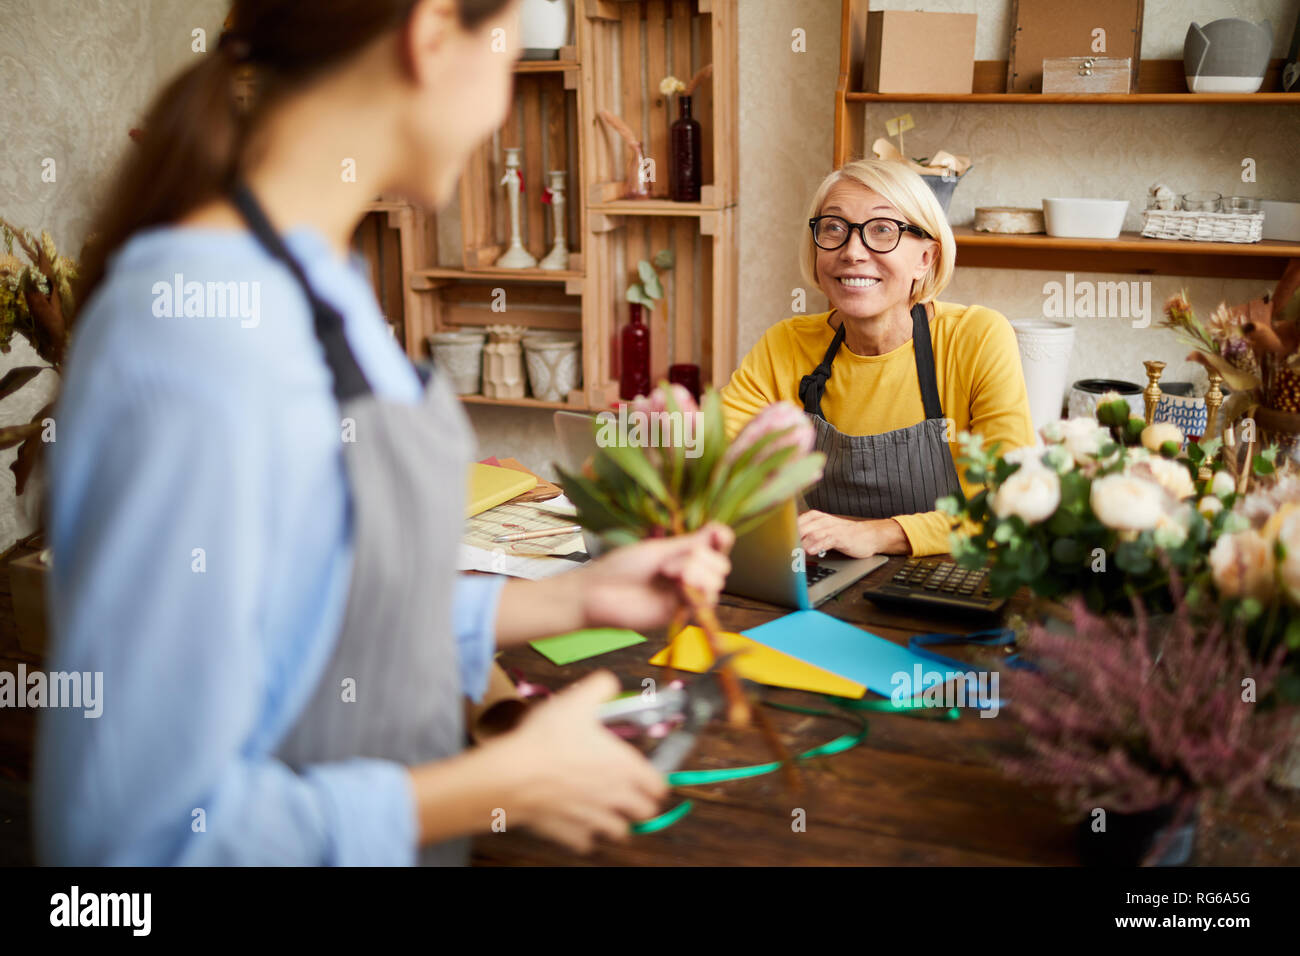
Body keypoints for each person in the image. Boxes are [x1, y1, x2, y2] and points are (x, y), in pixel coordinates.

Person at [35, 0, 733, 866]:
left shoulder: (323, 280)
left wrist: (574, 599)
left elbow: (321, 615)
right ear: (432, 35)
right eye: (507, 60)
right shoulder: (196, 335)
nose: (501, 108)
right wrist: (501, 788)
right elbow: (130, 842)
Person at [720, 159, 1034, 559]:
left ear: (926, 258)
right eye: (834, 228)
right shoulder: (786, 345)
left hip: (952, 574)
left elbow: (1010, 504)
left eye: (883, 230)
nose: (852, 252)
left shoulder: (977, 337)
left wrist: (876, 535)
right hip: (835, 573)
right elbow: (716, 459)